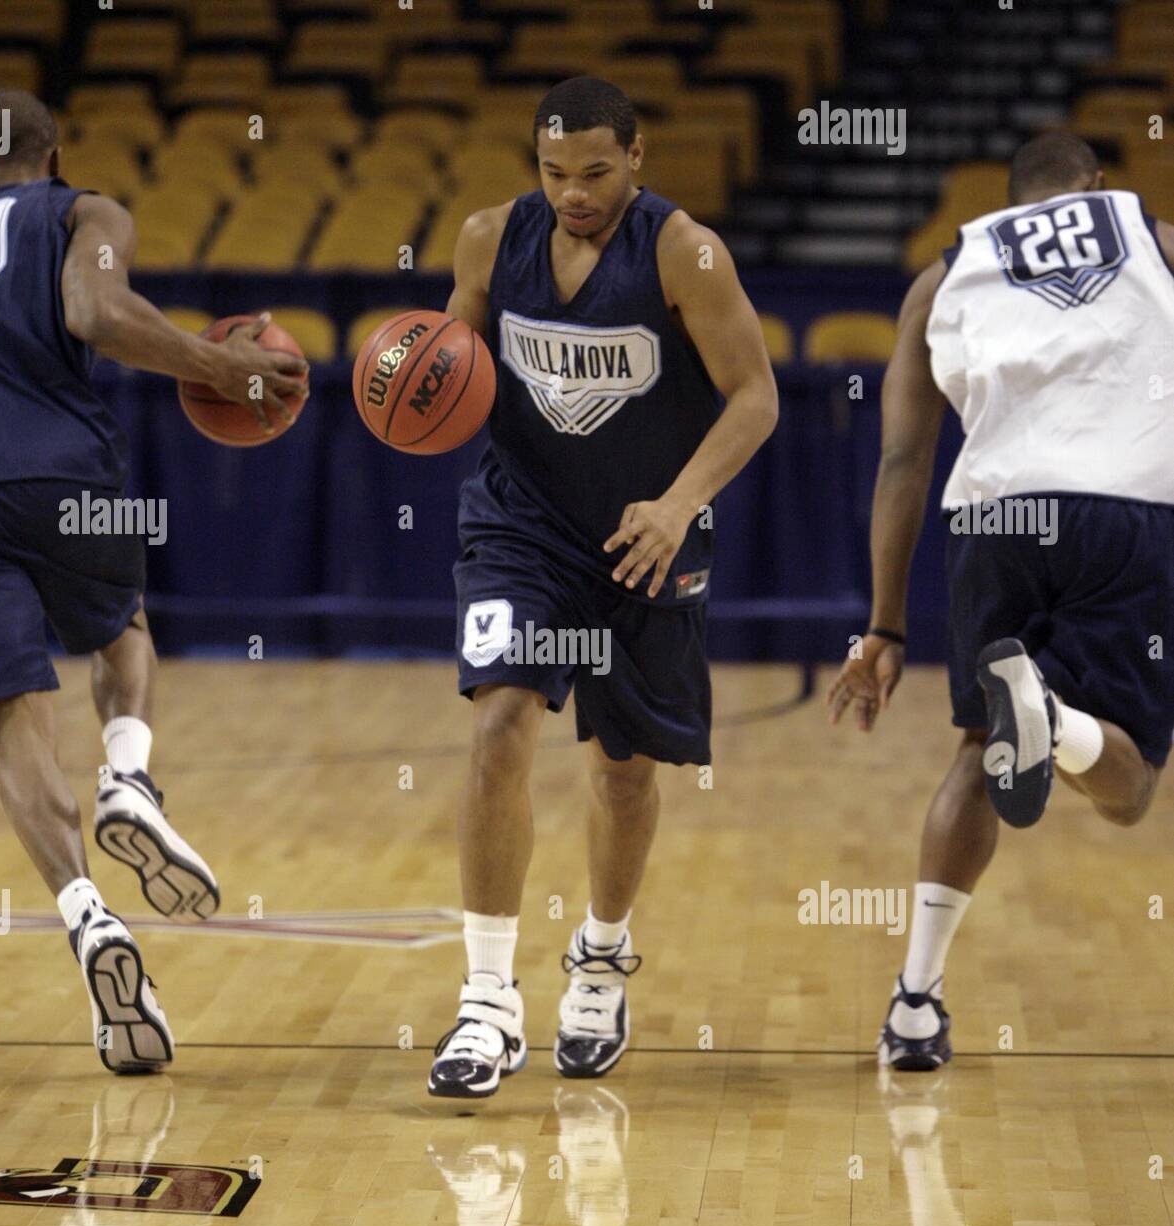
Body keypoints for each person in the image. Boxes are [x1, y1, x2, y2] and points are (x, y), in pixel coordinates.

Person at [0, 90, 308, 1072]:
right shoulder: (81, 210)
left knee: (11, 716)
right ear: (52, 151)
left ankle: (87, 915)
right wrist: (215, 364)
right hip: (62, 470)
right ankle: (130, 778)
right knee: (121, 628)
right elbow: (96, 311)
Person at [429, 77, 778, 1097]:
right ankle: (487, 1002)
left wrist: (676, 504)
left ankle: (599, 955)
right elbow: (450, 365)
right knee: (499, 719)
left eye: (594, 171)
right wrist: (400, 379)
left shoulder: (683, 251)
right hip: (520, 524)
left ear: (636, 156)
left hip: (647, 536)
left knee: (624, 768)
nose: (573, 192)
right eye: (553, 172)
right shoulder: (490, 239)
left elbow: (755, 397)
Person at [827, 131, 1174, 1069]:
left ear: (1008, 200)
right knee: (1131, 789)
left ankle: (913, 1002)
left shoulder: (943, 274)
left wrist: (883, 627)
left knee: (980, 751)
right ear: (1095, 187)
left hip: (994, 516)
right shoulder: (1152, 236)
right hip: (1126, 510)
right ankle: (1055, 720)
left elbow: (901, 461)